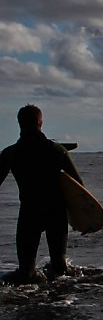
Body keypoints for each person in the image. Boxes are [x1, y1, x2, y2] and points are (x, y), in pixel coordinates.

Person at [0, 104, 83, 283]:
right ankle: (62, 300)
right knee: (60, 268)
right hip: (56, 213)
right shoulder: (57, 150)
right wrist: (85, 218)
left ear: (19, 123)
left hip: (30, 213)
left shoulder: (11, 153)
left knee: (25, 272)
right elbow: (79, 188)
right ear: (40, 122)